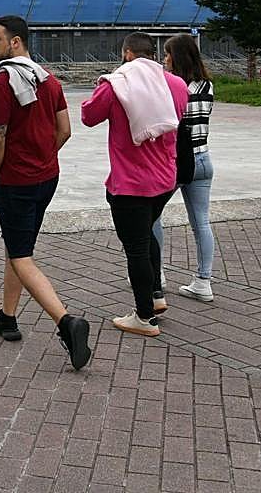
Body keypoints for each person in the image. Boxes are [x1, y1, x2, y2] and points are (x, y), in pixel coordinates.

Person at [0, 16, 92, 370]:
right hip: (46, 177)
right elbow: (65, 130)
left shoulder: (3, 81)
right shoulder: (49, 79)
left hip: (14, 181)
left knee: (21, 254)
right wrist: (44, 157)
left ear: (15, 43)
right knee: (18, 246)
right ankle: (7, 317)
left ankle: (66, 322)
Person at [81, 32, 188, 337]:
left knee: (137, 248)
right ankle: (155, 297)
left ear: (127, 54)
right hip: (165, 179)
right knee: (146, 235)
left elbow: (89, 116)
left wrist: (105, 84)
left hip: (129, 183)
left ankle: (144, 318)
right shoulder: (176, 84)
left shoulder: (116, 85)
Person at [153, 35, 217, 302]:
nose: (164, 59)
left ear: (177, 56)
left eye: (167, 54)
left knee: (152, 216)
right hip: (203, 158)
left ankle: (156, 275)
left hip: (178, 160)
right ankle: (203, 281)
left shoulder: (174, 87)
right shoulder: (207, 85)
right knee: (201, 221)